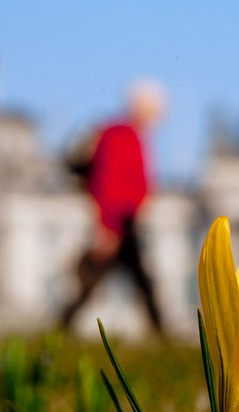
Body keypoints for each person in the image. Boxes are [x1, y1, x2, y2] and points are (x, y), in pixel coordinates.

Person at [59, 80, 166, 333]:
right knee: (139, 281)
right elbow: (108, 185)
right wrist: (107, 227)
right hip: (120, 220)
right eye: (155, 110)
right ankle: (161, 331)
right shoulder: (120, 135)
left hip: (124, 219)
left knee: (124, 280)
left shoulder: (126, 134)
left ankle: (62, 325)